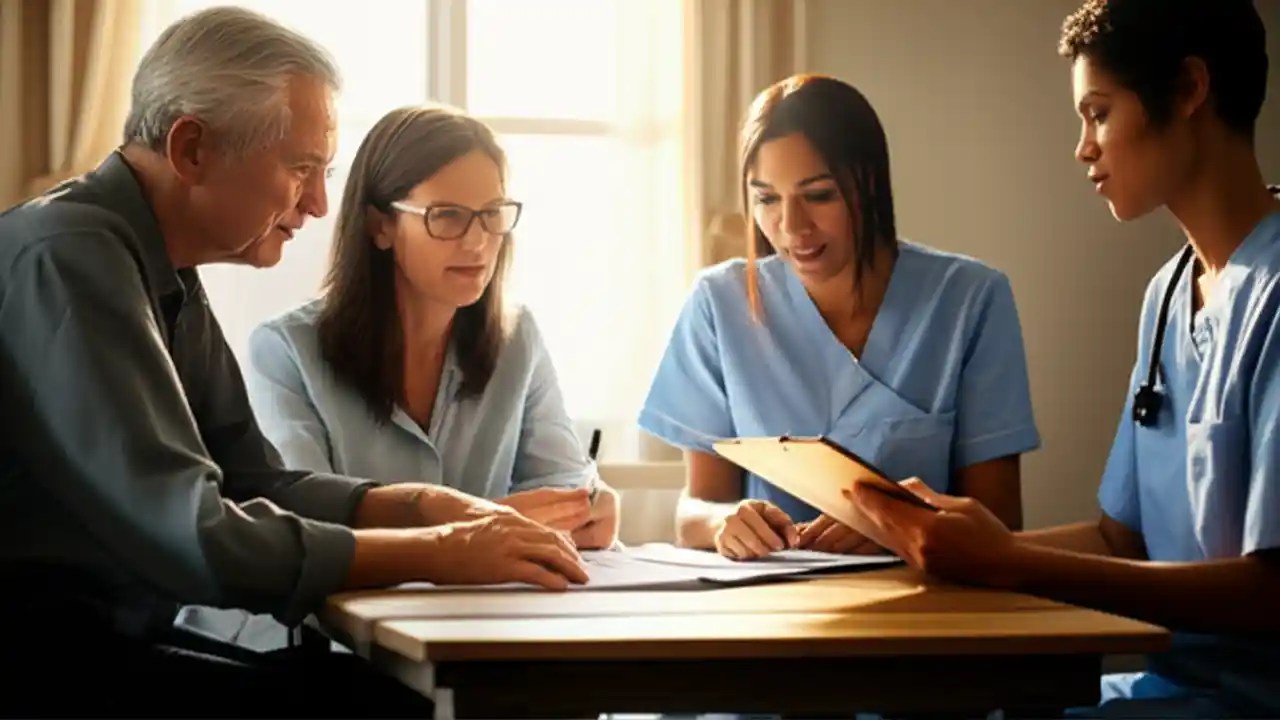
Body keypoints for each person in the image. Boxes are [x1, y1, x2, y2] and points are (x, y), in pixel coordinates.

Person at [0, 7, 585, 716]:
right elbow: (197, 536)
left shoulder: (160, 267)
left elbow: (253, 477)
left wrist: (418, 506)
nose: (316, 204)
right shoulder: (71, 255)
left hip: (105, 644)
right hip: (49, 663)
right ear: (192, 150)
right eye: (301, 169)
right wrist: (438, 548)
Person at [851, 1, 1280, 717]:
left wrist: (1007, 561)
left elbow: (1270, 591)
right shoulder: (1168, 295)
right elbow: (1123, 538)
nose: (1084, 147)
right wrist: (933, 539)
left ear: (1189, 89)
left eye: (1099, 112)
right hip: (1166, 688)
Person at [180, 105, 622, 650]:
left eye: (493, 214)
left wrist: (592, 508)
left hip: (453, 634)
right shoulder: (286, 350)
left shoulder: (517, 337)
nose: (478, 241)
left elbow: (564, 496)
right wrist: (473, 537)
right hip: (301, 647)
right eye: (447, 216)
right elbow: (307, 536)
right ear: (380, 225)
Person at [638, 74, 1042, 560]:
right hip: (769, 606)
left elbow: (999, 522)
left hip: (928, 603)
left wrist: (901, 524)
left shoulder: (970, 301)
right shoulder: (719, 304)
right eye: (766, 198)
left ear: (869, 183)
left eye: (819, 194)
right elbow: (696, 507)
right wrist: (725, 521)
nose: (791, 227)